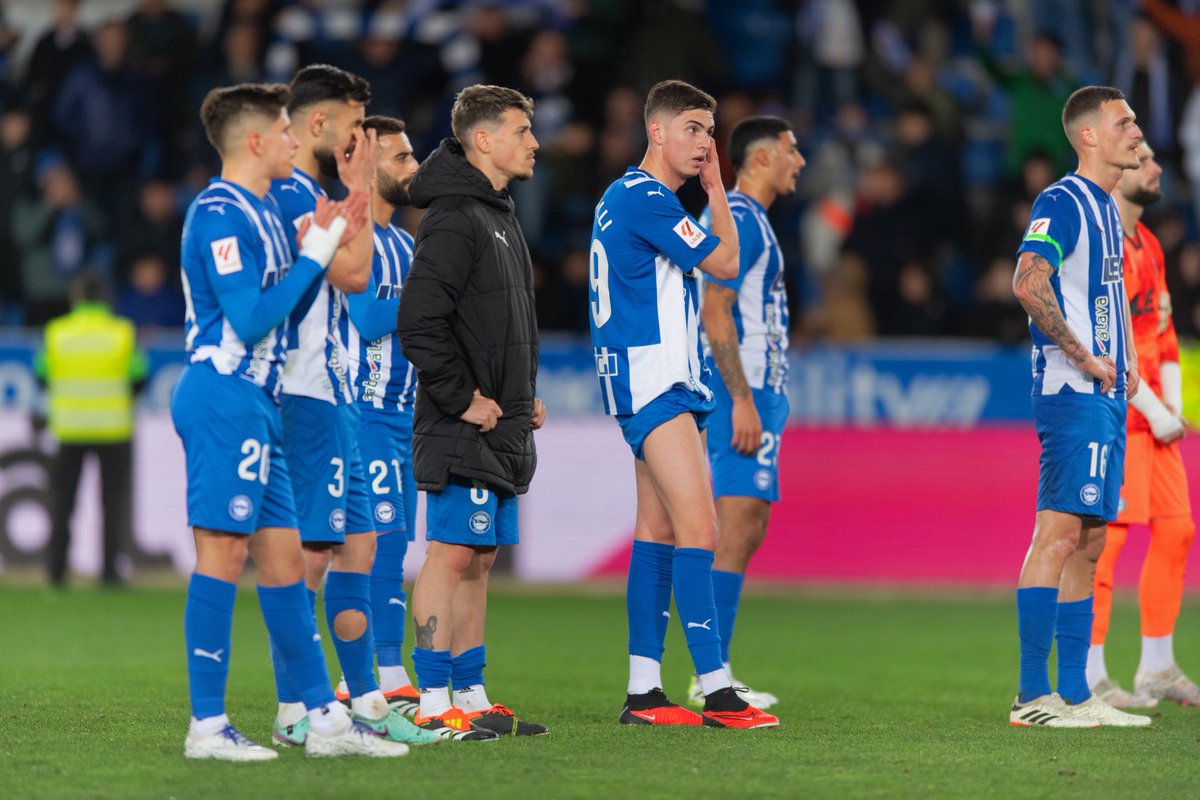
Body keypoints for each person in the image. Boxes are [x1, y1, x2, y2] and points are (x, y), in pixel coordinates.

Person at [173, 82, 404, 759]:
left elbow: (306, 300)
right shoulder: (219, 213)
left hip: (263, 401)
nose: (291, 140)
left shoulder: (266, 214)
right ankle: (207, 726)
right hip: (224, 393)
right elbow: (247, 318)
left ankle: (322, 720)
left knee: (281, 564)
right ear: (254, 142)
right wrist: (316, 251)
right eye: (282, 130)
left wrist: (327, 239)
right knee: (223, 553)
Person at [588, 79, 777, 729]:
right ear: (658, 132)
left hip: (649, 381)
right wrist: (721, 195)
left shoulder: (631, 200)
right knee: (701, 529)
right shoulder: (645, 198)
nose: (706, 141)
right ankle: (717, 687)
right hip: (656, 381)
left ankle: (644, 691)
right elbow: (725, 262)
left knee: (659, 531)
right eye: (694, 128)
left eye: (711, 129)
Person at [265, 65, 431, 749]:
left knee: (359, 545)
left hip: (339, 396)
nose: (360, 137)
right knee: (310, 556)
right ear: (318, 125)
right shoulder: (294, 195)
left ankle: (362, 702)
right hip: (304, 392)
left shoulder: (324, 196)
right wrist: (360, 187)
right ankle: (298, 710)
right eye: (354, 124)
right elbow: (355, 279)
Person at [397, 84, 546, 740]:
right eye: (521, 130)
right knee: (451, 552)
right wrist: (461, 399)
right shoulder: (456, 216)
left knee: (479, 556)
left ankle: (473, 691)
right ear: (483, 140)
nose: (534, 142)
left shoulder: (499, 212)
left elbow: (496, 321)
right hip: (461, 422)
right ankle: (432, 700)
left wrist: (519, 393)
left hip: (501, 421)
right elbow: (419, 322)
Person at [1009, 85, 1150, 728]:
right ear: (1088, 135)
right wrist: (1084, 356)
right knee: (1059, 534)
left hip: (1107, 398)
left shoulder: (1104, 207)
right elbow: (1028, 281)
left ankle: (1073, 693)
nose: (1135, 131)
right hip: (1074, 393)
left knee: (1090, 544)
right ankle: (1031, 696)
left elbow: (1095, 296)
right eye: (1123, 122)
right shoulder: (1062, 201)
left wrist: (1121, 362)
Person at [687, 116, 805, 709]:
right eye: (790, 150)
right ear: (760, 158)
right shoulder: (737, 220)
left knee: (747, 525)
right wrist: (740, 398)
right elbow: (716, 309)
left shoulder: (752, 221)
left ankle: (716, 667)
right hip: (745, 391)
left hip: (762, 390)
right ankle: (711, 673)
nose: (800, 160)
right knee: (733, 525)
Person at [1088, 142, 1200, 708]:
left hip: (1154, 421)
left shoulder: (1149, 244)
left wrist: (1174, 407)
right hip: (1124, 416)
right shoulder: (1106, 244)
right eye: (1147, 160)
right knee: (1104, 545)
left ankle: (1156, 667)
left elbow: (1164, 331)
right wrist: (1156, 413)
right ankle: (1090, 675)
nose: (1157, 169)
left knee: (1178, 531)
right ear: (1122, 170)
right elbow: (1115, 344)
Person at [340, 114, 425, 717]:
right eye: (399, 158)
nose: (413, 167)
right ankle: (375, 675)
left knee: (393, 546)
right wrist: (426, 300)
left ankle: (381, 673)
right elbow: (369, 322)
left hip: (402, 414)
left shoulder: (404, 242)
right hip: (363, 412)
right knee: (377, 545)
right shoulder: (354, 233)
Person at [37, 272, 146, 587]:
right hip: (113, 429)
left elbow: (42, 376)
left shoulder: (57, 332)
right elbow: (138, 378)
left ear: (76, 298)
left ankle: (56, 572)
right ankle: (110, 573)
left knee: (62, 502)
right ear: (105, 299)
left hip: (69, 429)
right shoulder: (122, 332)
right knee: (111, 505)